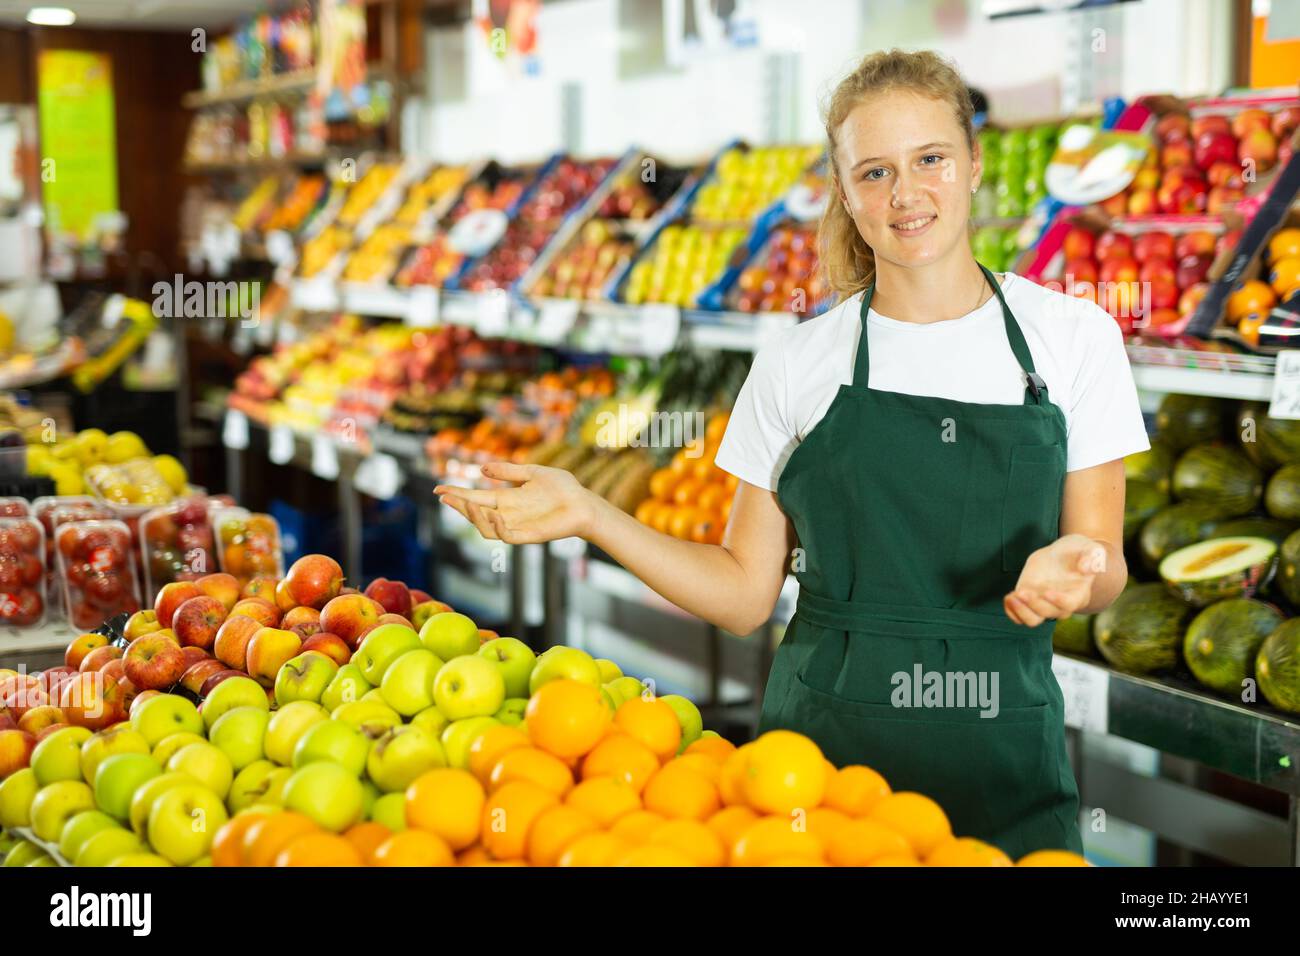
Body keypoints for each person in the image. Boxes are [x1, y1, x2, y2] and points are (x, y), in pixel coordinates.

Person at [434, 48, 1150, 857]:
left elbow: (1106, 563)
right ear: (843, 190)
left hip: (1003, 745)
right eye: (873, 172)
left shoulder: (1072, 337)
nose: (906, 193)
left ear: (975, 164)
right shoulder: (797, 361)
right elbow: (745, 595)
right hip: (818, 763)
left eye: (931, 160)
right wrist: (591, 514)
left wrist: (1075, 566)